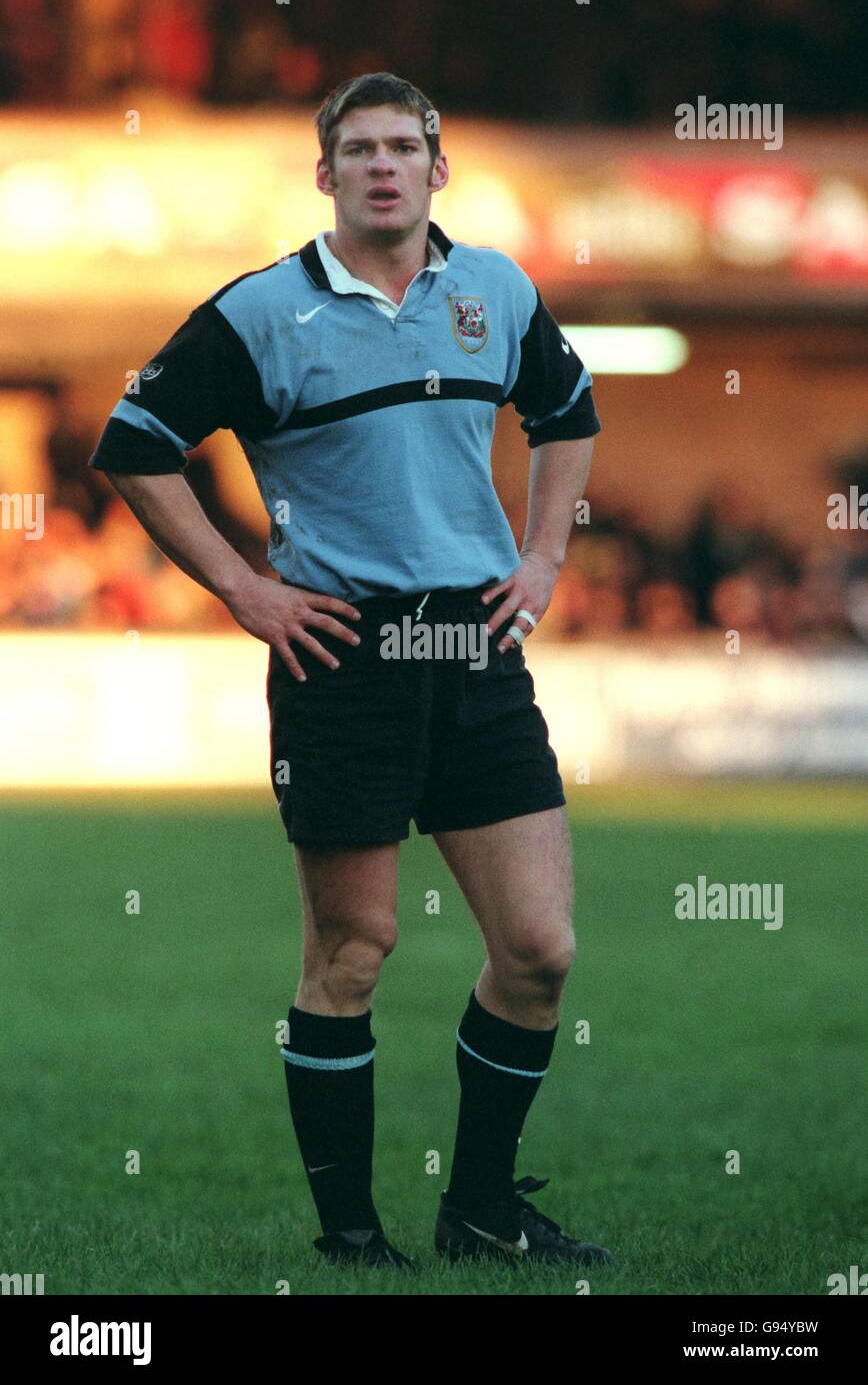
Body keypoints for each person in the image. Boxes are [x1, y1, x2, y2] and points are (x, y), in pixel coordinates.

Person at [88, 71, 612, 1273]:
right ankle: (350, 1236)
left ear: (438, 171)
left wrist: (539, 556)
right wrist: (244, 586)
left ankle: (479, 1208)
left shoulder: (494, 288)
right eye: (360, 150)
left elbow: (569, 416)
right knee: (353, 951)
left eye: (404, 148)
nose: (384, 167)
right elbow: (135, 446)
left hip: (475, 652)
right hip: (345, 655)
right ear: (326, 175)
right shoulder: (263, 312)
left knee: (539, 949)